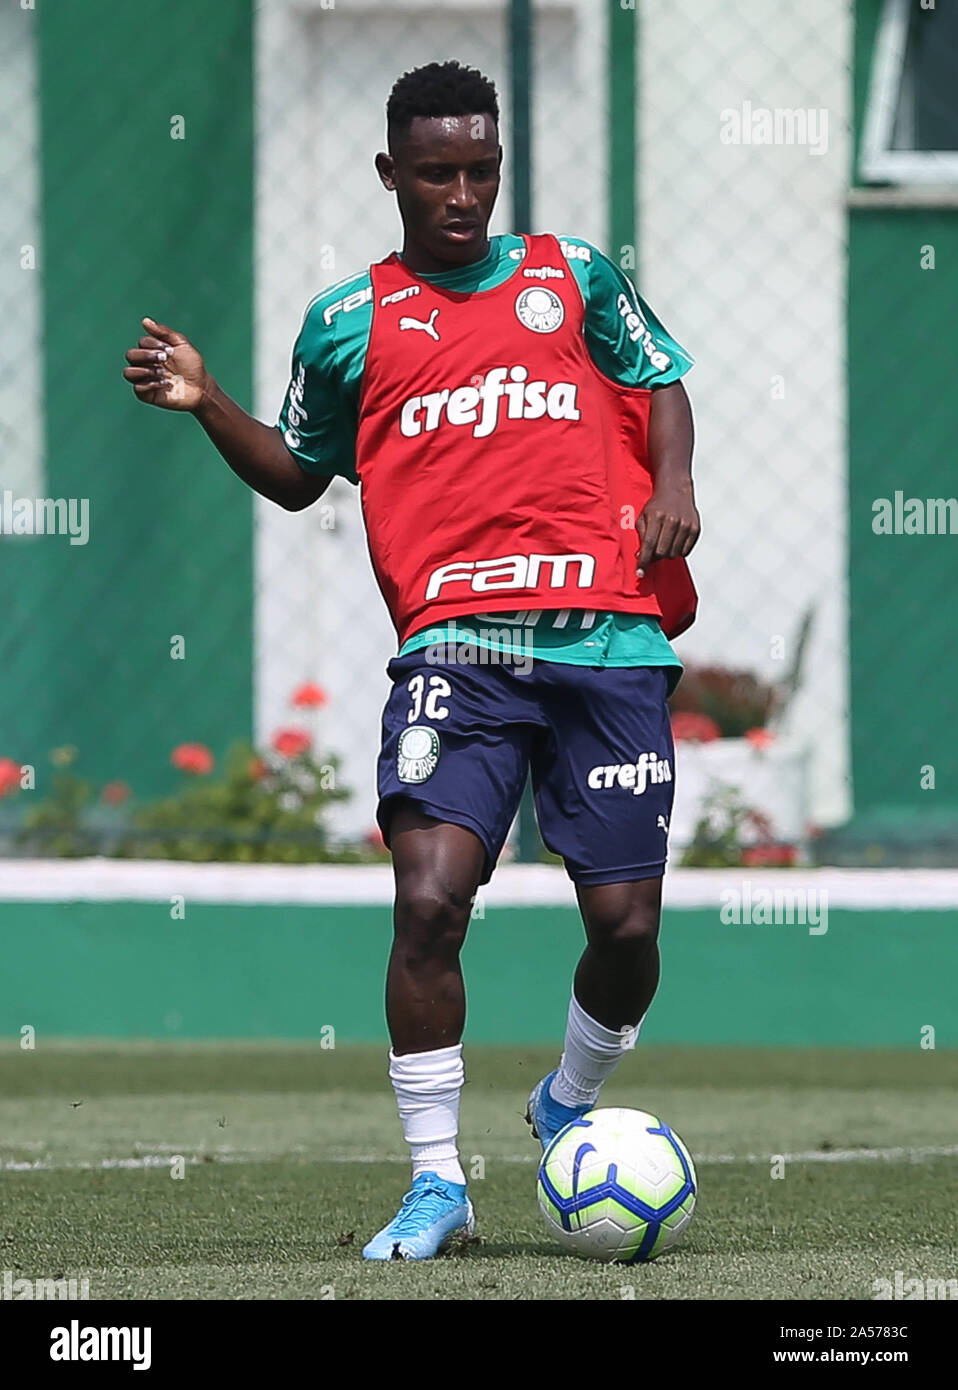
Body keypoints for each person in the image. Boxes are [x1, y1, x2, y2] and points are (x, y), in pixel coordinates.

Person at [122, 59, 700, 1262]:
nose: (463, 195)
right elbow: (299, 475)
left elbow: (658, 381)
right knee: (430, 900)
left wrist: (676, 485)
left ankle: (566, 1104)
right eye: (437, 173)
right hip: (456, 652)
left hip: (605, 636)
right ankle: (437, 1182)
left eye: (481, 171)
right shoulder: (348, 321)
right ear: (392, 172)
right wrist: (210, 400)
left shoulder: (571, 275)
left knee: (627, 929)